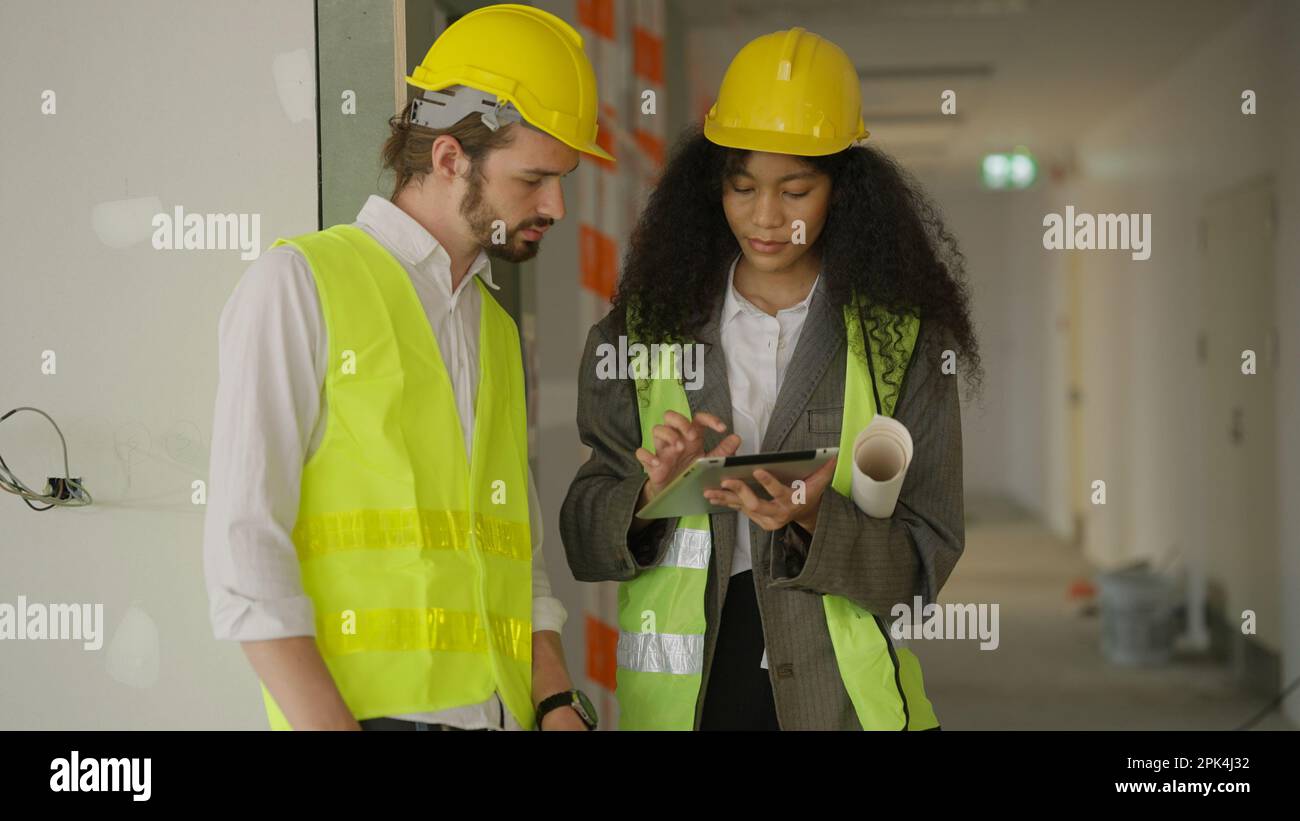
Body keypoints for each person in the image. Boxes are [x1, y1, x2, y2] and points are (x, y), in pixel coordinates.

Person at [560, 27, 981, 730]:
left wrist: (814, 518)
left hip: (845, 707)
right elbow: (581, 537)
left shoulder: (902, 343)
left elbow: (919, 565)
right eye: (743, 186)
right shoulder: (641, 335)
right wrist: (647, 494)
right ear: (713, 186)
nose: (765, 217)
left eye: (796, 190)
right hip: (684, 710)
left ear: (842, 191)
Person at [203, 4, 605, 731]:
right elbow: (246, 555)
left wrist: (556, 703)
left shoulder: (497, 329)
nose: (557, 205)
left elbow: (518, 558)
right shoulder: (299, 284)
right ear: (450, 158)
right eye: (535, 178)